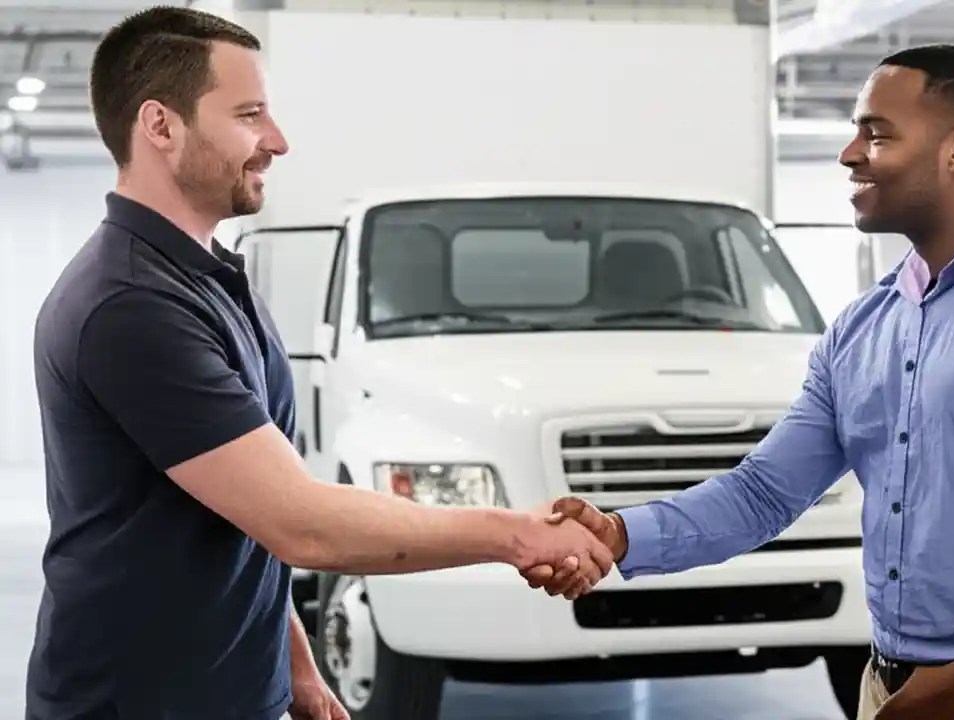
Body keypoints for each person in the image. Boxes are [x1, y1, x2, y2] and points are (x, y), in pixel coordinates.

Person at [524, 44, 954, 720]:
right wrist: (621, 534)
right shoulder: (861, 328)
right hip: (887, 691)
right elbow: (763, 493)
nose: (849, 154)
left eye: (877, 134)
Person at [26, 7, 611, 720]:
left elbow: (242, 508)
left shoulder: (209, 278)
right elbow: (301, 522)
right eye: (249, 115)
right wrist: (514, 534)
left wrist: (294, 666)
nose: (277, 140)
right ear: (160, 125)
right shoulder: (130, 305)